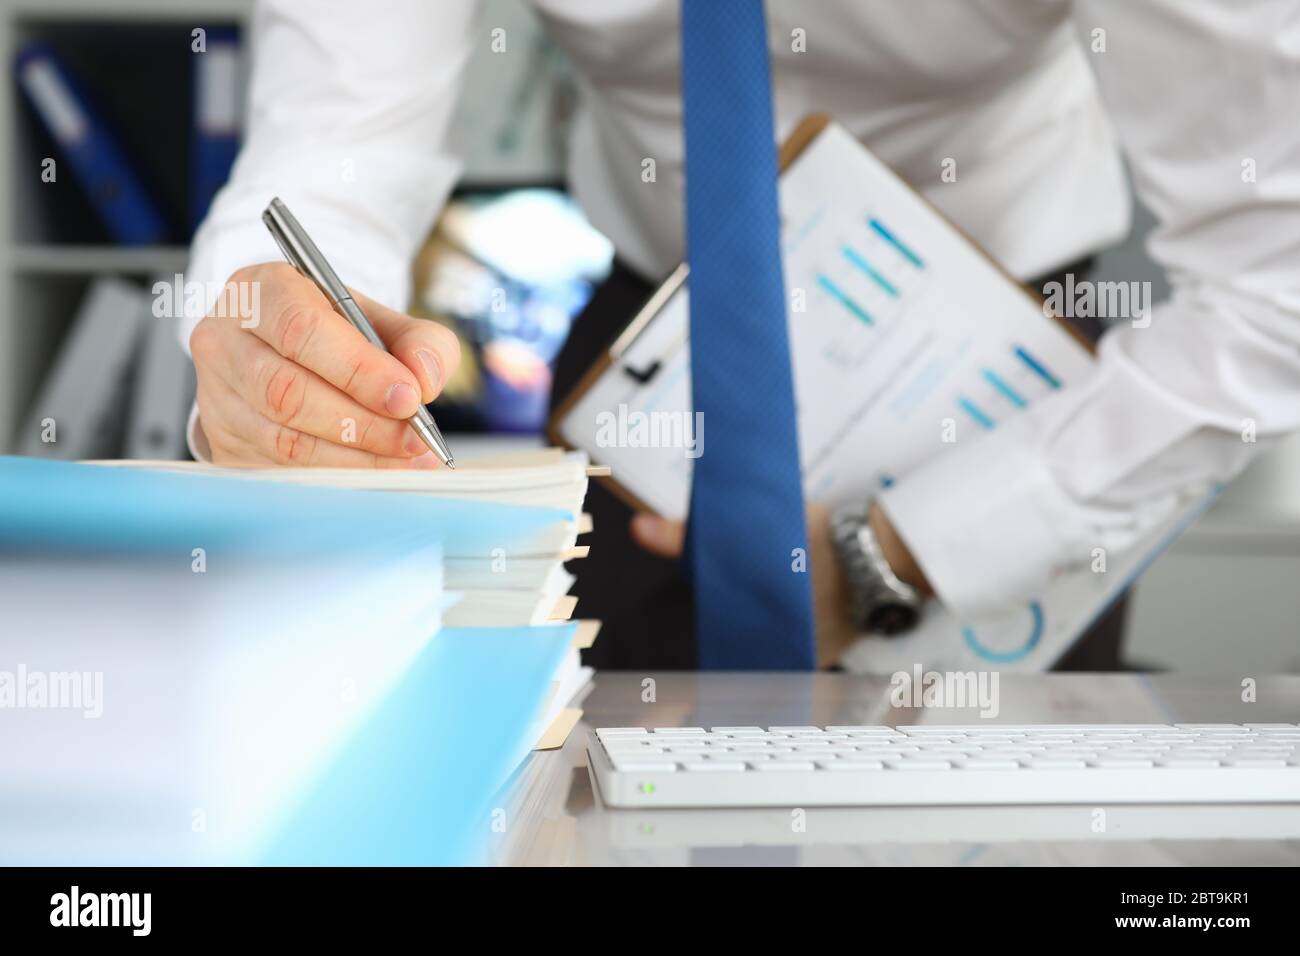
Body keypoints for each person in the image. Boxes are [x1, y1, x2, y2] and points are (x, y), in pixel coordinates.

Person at [183, 0, 1300, 670]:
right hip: (660, 327)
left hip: (1004, 354)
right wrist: (264, 342)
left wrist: (892, 554)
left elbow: (1280, 277)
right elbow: (335, 143)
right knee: (597, 781)